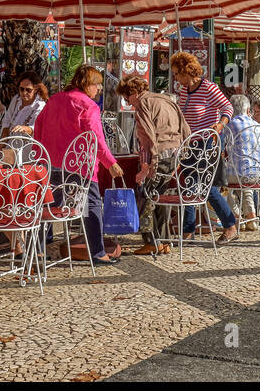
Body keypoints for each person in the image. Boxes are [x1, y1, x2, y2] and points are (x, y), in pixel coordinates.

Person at [32, 65, 125, 266]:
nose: (99, 89)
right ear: (87, 84)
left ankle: (38, 251)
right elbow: (96, 139)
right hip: (78, 167)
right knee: (92, 207)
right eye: (97, 85)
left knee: (46, 206)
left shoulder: (55, 100)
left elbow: (38, 127)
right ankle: (98, 252)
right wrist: (111, 163)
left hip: (51, 164)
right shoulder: (88, 106)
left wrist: (42, 156)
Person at [170, 51, 240, 243]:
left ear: (187, 71)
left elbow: (228, 107)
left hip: (208, 143)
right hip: (189, 144)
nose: (175, 77)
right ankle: (188, 230)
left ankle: (230, 226)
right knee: (189, 187)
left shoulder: (209, 87)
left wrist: (220, 124)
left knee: (206, 187)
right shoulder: (184, 91)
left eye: (177, 73)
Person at [119, 74, 188, 256]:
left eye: (127, 98)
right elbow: (185, 127)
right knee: (160, 196)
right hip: (174, 154)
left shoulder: (143, 105)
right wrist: (182, 153)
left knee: (145, 195)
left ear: (133, 93)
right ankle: (163, 242)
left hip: (160, 155)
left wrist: (145, 168)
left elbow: (147, 140)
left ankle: (151, 241)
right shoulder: (166, 100)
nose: (129, 103)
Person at [222, 93, 260, 232]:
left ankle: (237, 218)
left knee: (222, 183)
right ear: (248, 110)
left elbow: (221, 146)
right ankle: (252, 217)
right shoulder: (256, 124)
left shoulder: (229, 125)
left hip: (241, 175)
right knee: (243, 178)